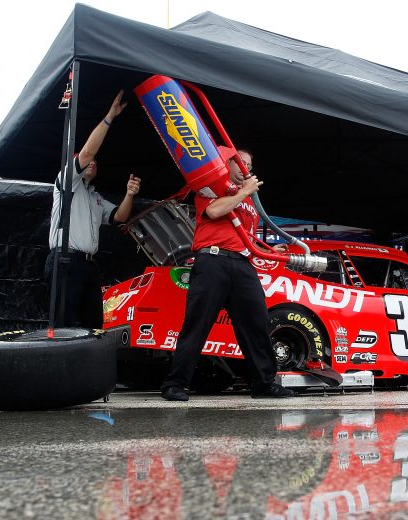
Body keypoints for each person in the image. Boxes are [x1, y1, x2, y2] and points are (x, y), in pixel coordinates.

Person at [161, 149, 295, 401]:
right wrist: (243, 192)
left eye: (249, 165)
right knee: (197, 324)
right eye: (241, 162)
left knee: (256, 324)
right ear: (228, 163)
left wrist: (268, 251)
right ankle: (175, 384)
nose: (245, 168)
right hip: (213, 260)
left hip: (242, 264)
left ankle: (264, 383)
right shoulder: (212, 186)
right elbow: (214, 211)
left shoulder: (251, 203)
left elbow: (244, 237)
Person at [45, 90, 141, 329]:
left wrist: (129, 194)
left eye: (96, 164)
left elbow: (119, 216)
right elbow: (88, 152)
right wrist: (109, 117)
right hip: (65, 259)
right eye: (89, 162)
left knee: (94, 326)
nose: (92, 163)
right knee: (63, 325)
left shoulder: (95, 197)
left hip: (88, 264)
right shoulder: (67, 181)